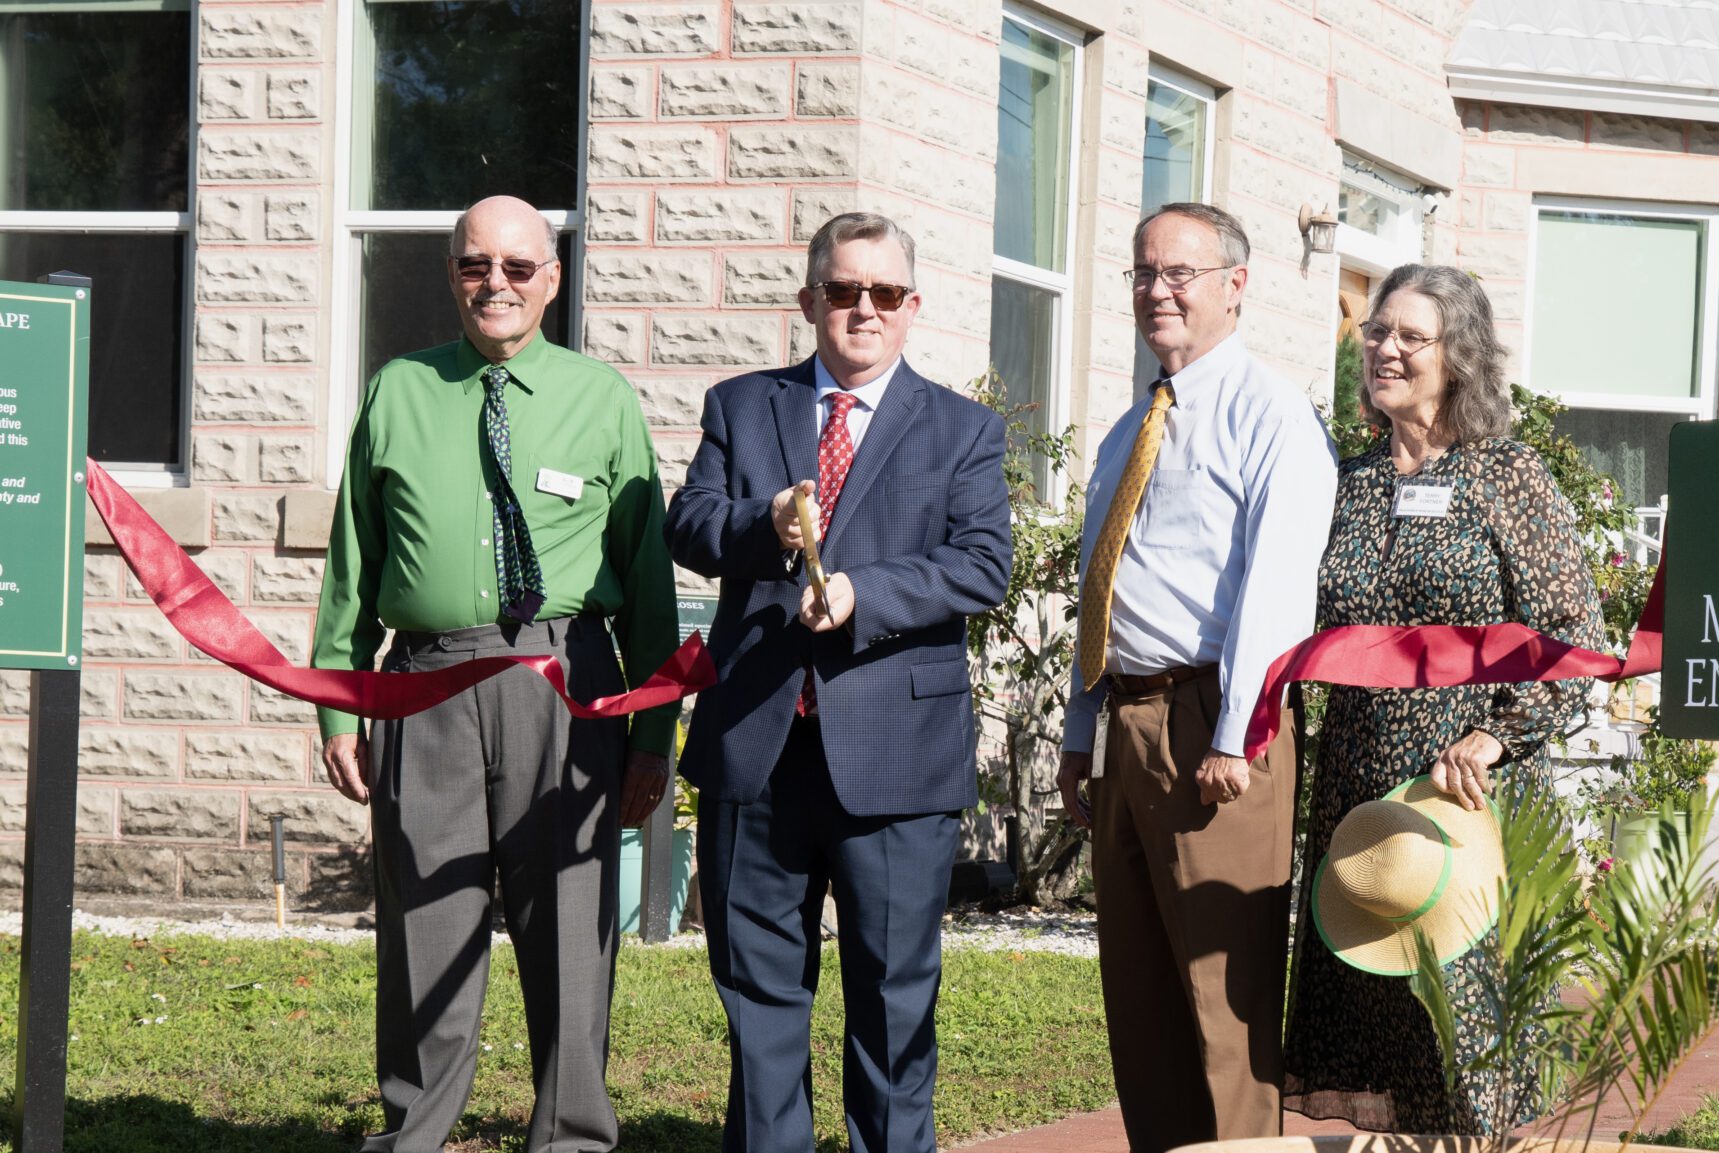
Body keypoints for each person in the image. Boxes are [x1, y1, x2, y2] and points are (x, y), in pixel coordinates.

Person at [311, 195, 678, 1153]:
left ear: (551, 280)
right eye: (476, 265)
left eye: (518, 267)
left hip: (565, 684)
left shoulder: (601, 399)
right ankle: (417, 1133)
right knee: (425, 925)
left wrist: (651, 738)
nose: (496, 284)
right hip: (425, 685)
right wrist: (339, 709)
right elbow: (353, 561)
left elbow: (645, 587)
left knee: (570, 928)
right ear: (452, 275)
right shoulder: (399, 390)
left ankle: (570, 1138)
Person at [664, 212, 1012, 1153]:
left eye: (885, 294)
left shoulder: (963, 429)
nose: (865, 309)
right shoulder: (743, 404)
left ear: (911, 307)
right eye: (845, 290)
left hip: (895, 758)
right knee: (759, 998)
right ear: (810, 298)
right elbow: (689, 523)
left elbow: (984, 565)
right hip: (759, 750)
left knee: (894, 1004)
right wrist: (762, 523)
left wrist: (868, 591)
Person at [1282, 263, 1602, 1133]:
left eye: (1408, 337)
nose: (1383, 350)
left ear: (1457, 357)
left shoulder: (1505, 475)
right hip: (1359, 798)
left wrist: (1499, 736)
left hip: (1463, 799)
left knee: (1465, 1050)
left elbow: (1578, 636)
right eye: (1376, 333)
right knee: (1379, 1040)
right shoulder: (1346, 481)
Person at [1055, 202, 1339, 1153]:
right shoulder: (1133, 423)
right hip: (1127, 722)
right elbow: (1106, 579)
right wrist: (1076, 733)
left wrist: (1238, 736)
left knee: (1226, 1004)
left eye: (1180, 272)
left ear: (1236, 286)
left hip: (1215, 719)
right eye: (1142, 273)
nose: (1157, 290)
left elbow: (1279, 585)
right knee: (1140, 1003)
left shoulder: (1273, 416)